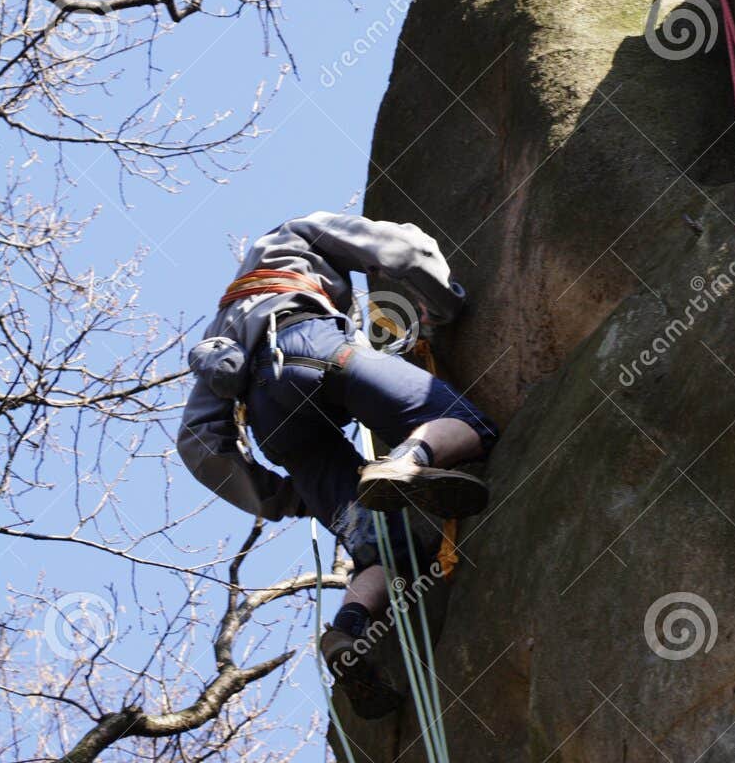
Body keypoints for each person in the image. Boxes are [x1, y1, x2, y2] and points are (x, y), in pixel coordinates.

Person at [177, 212, 498, 718]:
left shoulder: (224, 331)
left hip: (273, 425)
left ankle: (345, 632)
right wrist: (445, 304)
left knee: (382, 553)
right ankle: (408, 462)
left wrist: (286, 498)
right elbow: (399, 248)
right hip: (313, 346)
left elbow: (197, 442)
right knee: (466, 424)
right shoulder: (294, 236)